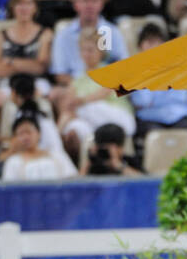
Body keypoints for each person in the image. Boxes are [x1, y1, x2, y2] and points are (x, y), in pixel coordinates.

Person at [53, 25, 134, 163]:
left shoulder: (111, 71)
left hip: (119, 120)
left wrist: (81, 101)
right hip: (93, 125)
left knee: (82, 108)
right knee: (74, 127)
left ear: (100, 51)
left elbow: (105, 91)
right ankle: (59, 144)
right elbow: (68, 107)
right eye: (83, 50)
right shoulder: (77, 81)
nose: (87, 54)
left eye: (91, 50)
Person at [127, 23, 187, 153]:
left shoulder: (177, 67)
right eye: (149, 42)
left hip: (178, 115)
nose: (153, 46)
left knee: (185, 130)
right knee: (153, 134)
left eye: (157, 42)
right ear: (140, 46)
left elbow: (181, 98)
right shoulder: (134, 71)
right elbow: (142, 102)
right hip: (149, 118)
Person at [0, 0, 53, 107]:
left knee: (40, 96)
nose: (24, 8)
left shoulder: (45, 33)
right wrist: (29, 65)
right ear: (12, 7)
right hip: (6, 84)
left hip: (36, 82)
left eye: (28, 3)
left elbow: (40, 68)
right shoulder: (0, 35)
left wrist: (11, 62)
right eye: (19, 4)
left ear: (35, 7)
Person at [50, 0, 126, 84]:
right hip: (75, 88)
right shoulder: (63, 35)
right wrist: (84, 87)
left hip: (106, 86)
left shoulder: (113, 32)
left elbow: (122, 67)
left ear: (102, 4)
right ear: (75, 4)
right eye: (85, 1)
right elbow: (60, 74)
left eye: (94, 1)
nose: (89, 6)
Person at [0, 114, 71, 180]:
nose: (26, 137)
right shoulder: (13, 162)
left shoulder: (57, 155)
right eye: (21, 134)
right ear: (15, 138)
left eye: (28, 132)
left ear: (39, 134)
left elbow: (72, 179)